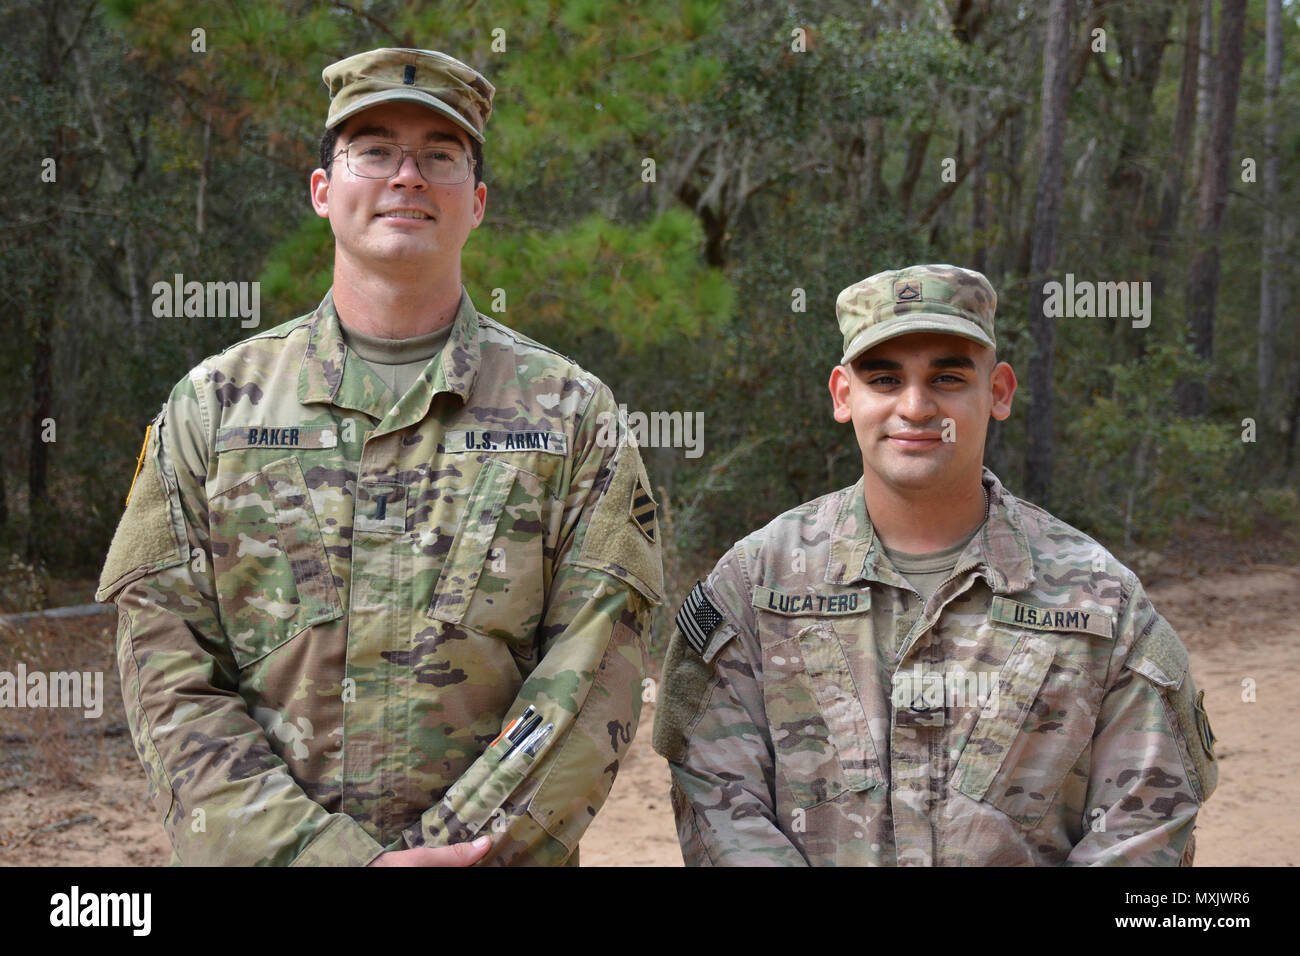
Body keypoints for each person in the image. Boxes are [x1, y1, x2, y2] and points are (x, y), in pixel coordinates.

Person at [96, 47, 663, 867]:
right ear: (324, 191)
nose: (408, 176)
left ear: (477, 202)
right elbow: (167, 673)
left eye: (440, 155)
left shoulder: (571, 415)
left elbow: (594, 671)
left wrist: (459, 853)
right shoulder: (212, 408)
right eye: (374, 150)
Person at [653, 263, 1217, 866]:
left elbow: (1145, 822)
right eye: (885, 379)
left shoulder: (1099, 598)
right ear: (844, 396)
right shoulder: (757, 581)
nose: (916, 407)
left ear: (998, 391)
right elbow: (718, 797)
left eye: (947, 377)